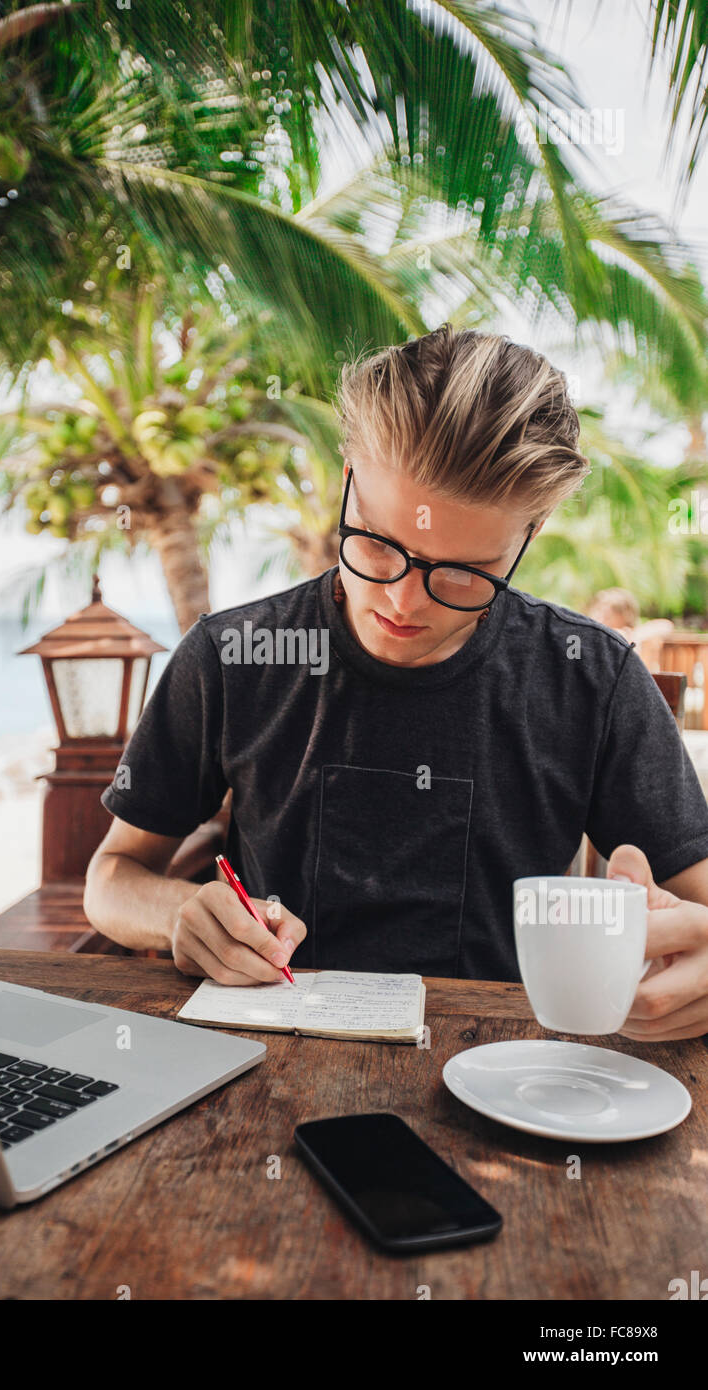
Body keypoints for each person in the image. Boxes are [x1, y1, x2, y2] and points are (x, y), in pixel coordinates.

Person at [84, 324, 708, 1041]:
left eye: (462, 575)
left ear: (529, 535)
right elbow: (111, 879)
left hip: (512, 1081)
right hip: (266, 1061)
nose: (402, 602)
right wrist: (177, 914)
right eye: (377, 545)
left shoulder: (591, 679)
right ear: (348, 475)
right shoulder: (236, 655)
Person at [586, 588, 674, 673]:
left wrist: (628, 635)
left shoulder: (635, 637)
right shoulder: (597, 635)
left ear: (624, 616)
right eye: (598, 611)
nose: (600, 618)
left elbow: (666, 625)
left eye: (607, 616)